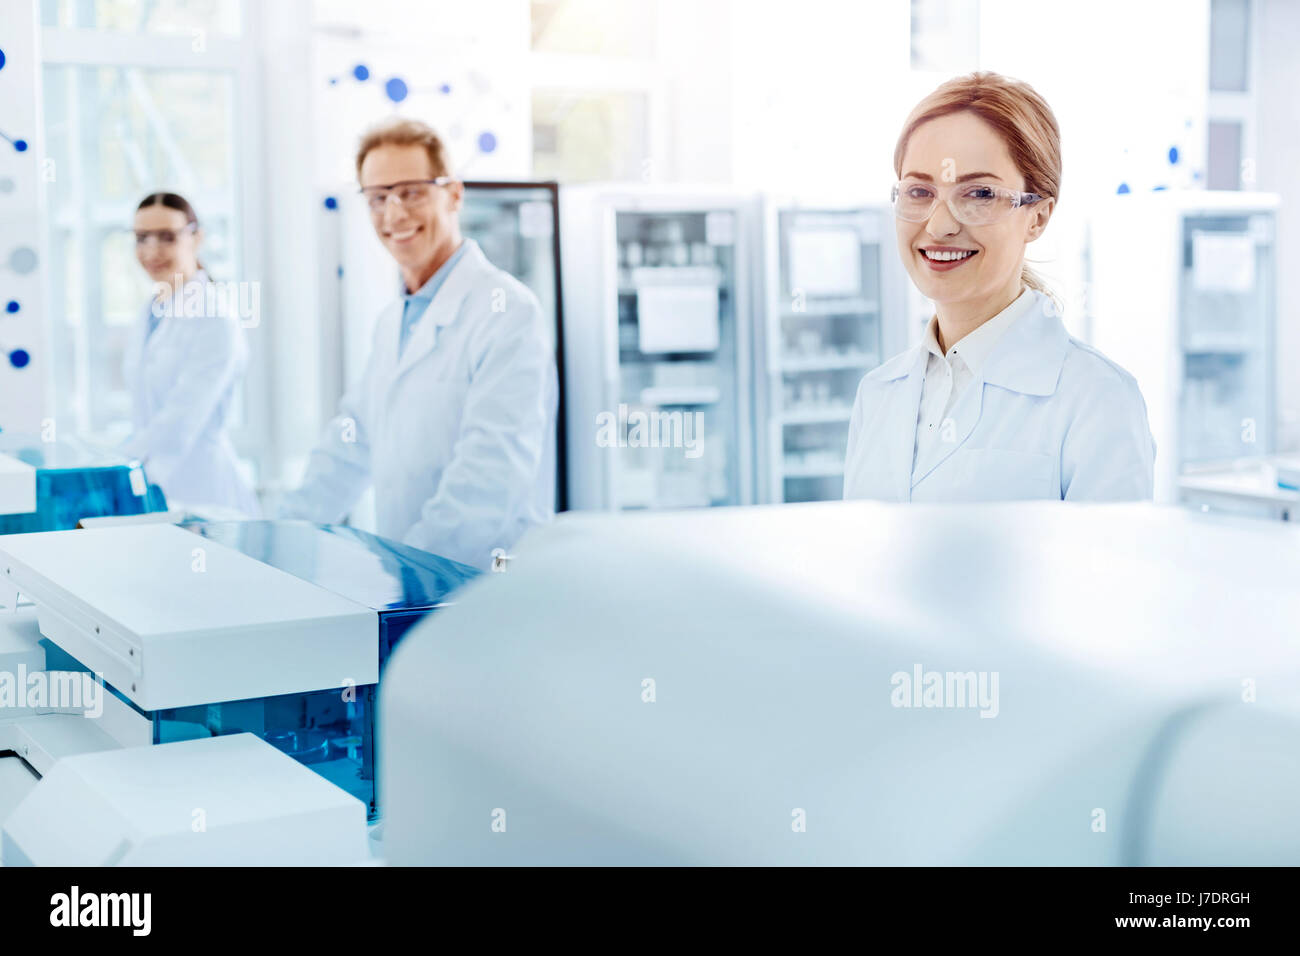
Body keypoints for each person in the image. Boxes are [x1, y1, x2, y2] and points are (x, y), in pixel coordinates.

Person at [844, 72, 1155, 503]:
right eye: (919, 191)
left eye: (980, 194)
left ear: (1038, 217)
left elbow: (1109, 569)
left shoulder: (1097, 399)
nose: (939, 224)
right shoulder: (878, 394)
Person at [279, 119, 557, 570]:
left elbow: (489, 479)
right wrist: (280, 537)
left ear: (453, 195)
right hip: (414, 585)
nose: (394, 215)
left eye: (411, 192)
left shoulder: (508, 313)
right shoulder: (394, 322)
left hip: (481, 585)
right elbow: (350, 446)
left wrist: (410, 573)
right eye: (378, 198)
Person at [123, 192, 259, 515]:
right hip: (158, 489)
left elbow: (180, 420)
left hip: (204, 495)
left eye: (167, 237)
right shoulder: (151, 312)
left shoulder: (214, 317)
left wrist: (120, 467)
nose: (151, 250)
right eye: (141, 238)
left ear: (196, 238)